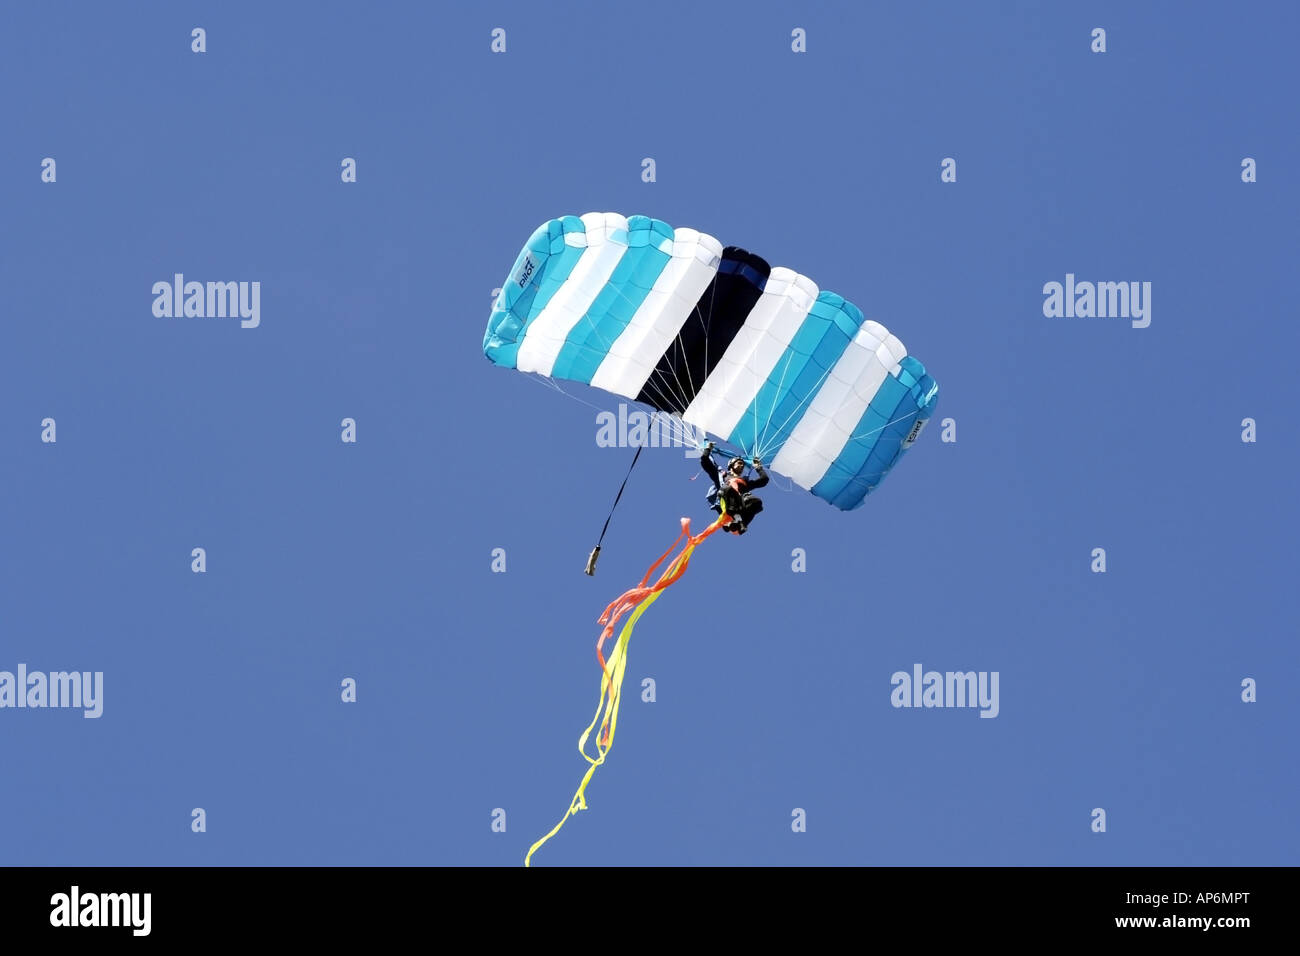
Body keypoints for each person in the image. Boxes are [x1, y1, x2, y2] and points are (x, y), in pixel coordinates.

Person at [699, 442, 768, 534]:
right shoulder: (721, 476)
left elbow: (764, 480)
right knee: (729, 487)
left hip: (739, 505)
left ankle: (741, 524)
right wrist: (708, 449)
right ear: (731, 465)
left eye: (743, 465)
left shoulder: (744, 482)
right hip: (725, 500)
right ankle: (731, 519)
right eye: (739, 463)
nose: (742, 466)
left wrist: (758, 467)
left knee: (756, 502)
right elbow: (704, 461)